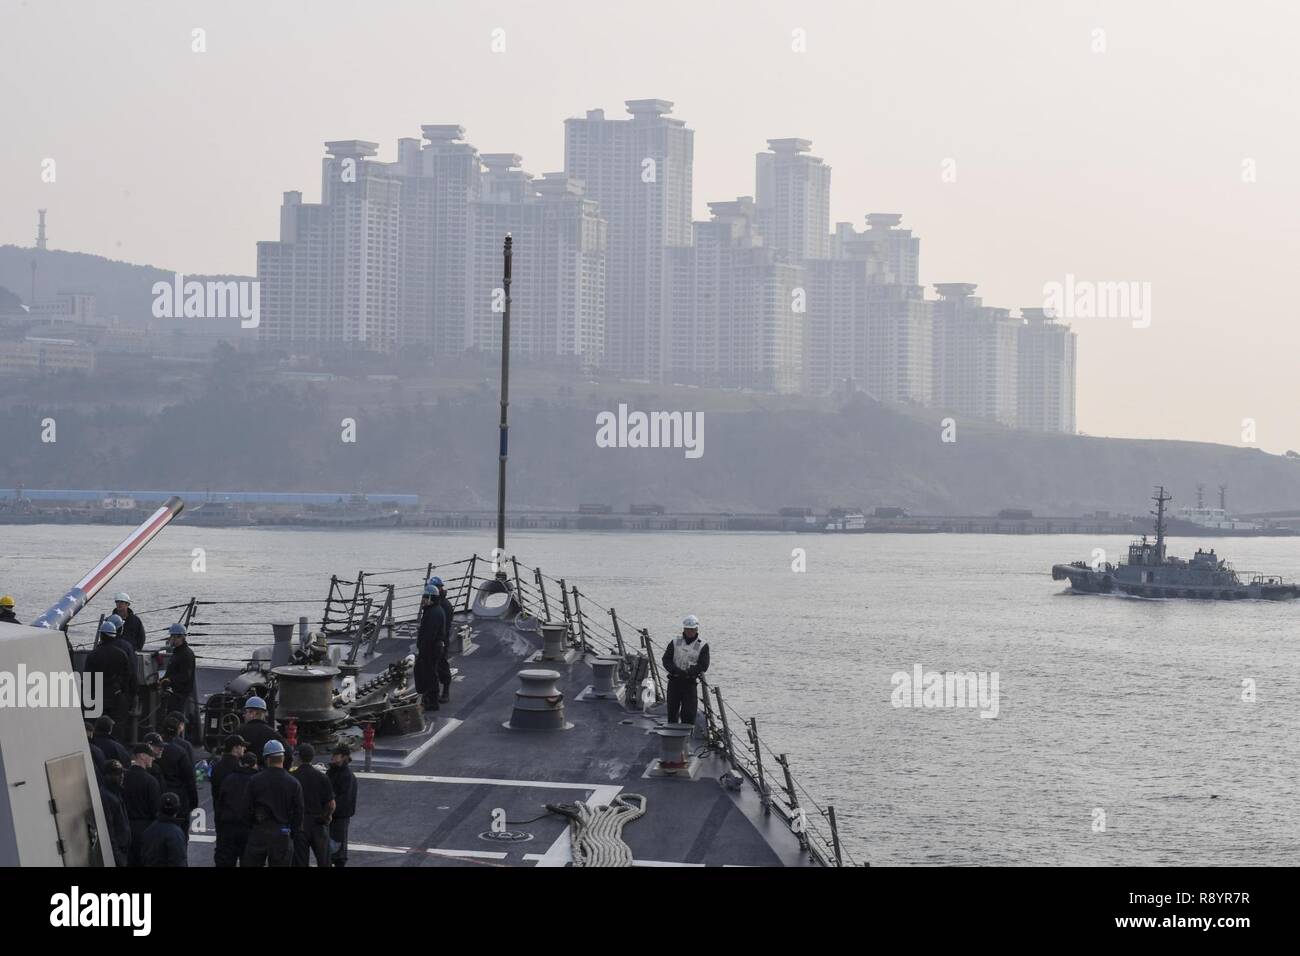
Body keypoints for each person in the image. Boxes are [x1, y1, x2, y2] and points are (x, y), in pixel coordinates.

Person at [242, 739, 303, 867]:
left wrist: (252, 826)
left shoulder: (255, 780)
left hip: (259, 831)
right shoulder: (293, 783)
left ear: (267, 759)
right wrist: (293, 832)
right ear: (282, 758)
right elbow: (298, 812)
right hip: (282, 832)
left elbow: (246, 809)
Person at [84, 619, 135, 742]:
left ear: (101, 635)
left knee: (95, 729)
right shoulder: (122, 654)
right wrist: (128, 697)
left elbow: (88, 679)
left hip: (97, 697)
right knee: (117, 729)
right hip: (116, 697)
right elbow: (128, 677)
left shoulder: (93, 655)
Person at [290, 743, 335, 867]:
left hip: (300, 823)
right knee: (324, 860)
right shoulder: (322, 777)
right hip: (318, 823)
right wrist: (326, 818)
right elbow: (331, 804)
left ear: (298, 757)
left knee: (300, 861)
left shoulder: (293, 777)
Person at [661, 614, 710, 725]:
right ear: (684, 629)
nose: (689, 632)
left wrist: (689, 672)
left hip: (689, 683)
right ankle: (672, 734)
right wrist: (674, 670)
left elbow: (703, 665)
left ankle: (686, 737)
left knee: (689, 712)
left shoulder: (702, 645)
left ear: (696, 629)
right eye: (687, 629)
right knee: (672, 710)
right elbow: (666, 659)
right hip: (674, 681)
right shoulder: (675, 642)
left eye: (692, 629)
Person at [213, 752, 258, 867]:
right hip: (249, 828)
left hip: (229, 826)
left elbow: (220, 803)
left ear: (241, 764)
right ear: (254, 765)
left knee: (226, 860)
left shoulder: (229, 778)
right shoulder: (257, 780)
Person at [158, 716, 197, 837]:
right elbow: (190, 777)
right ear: (178, 729)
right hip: (179, 797)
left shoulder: (154, 747)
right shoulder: (183, 748)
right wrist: (193, 801)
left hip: (158, 795)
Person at [122, 745, 161, 866]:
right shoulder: (151, 781)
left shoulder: (123, 777)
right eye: (151, 756)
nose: (153, 759)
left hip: (125, 827)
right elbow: (156, 810)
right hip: (145, 828)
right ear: (142, 756)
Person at [160, 623, 199, 743]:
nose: (171, 639)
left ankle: (178, 741)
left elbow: (185, 676)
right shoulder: (177, 652)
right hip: (173, 692)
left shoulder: (186, 654)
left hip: (180, 694)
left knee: (177, 719)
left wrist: (170, 681)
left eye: (173, 636)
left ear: (181, 637)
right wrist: (162, 681)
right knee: (171, 717)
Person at [414, 582, 447, 711]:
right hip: (432, 647)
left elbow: (429, 635)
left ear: (430, 598)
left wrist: (422, 649)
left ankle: (432, 702)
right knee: (427, 672)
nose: (422, 600)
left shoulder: (434, 613)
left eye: (424, 597)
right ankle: (428, 697)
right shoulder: (433, 610)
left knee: (430, 674)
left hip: (431, 648)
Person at [326, 744, 357, 867]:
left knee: (338, 853)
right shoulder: (332, 772)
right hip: (331, 817)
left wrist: (328, 811)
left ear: (344, 757)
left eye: (335, 755)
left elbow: (344, 801)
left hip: (339, 818)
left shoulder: (347, 776)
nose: (332, 757)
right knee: (329, 851)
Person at [139, 792, 188, 867]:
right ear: (177, 809)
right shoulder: (176, 833)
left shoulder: (149, 829)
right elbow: (179, 861)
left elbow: (144, 856)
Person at [99, 759, 132, 866]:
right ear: (107, 776)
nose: (122, 776)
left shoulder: (116, 792)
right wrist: (117, 855)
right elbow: (109, 829)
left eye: (122, 773)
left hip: (123, 849)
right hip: (117, 852)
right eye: (118, 774)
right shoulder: (107, 797)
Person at [236, 696, 285, 767]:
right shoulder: (272, 733)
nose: (243, 715)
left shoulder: (239, 731)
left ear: (254, 713)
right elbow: (288, 753)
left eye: (246, 712)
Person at [209, 734, 247, 810]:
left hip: (219, 809)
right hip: (234, 810)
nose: (245, 748)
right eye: (242, 746)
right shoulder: (238, 767)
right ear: (235, 748)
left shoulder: (217, 765)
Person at [433, 577, 456, 702]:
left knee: (442, 665)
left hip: (441, 640)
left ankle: (445, 692)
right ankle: (433, 692)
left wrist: (439, 640)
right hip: (434, 640)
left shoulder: (445, 605)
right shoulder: (436, 603)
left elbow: (444, 626)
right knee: (432, 667)